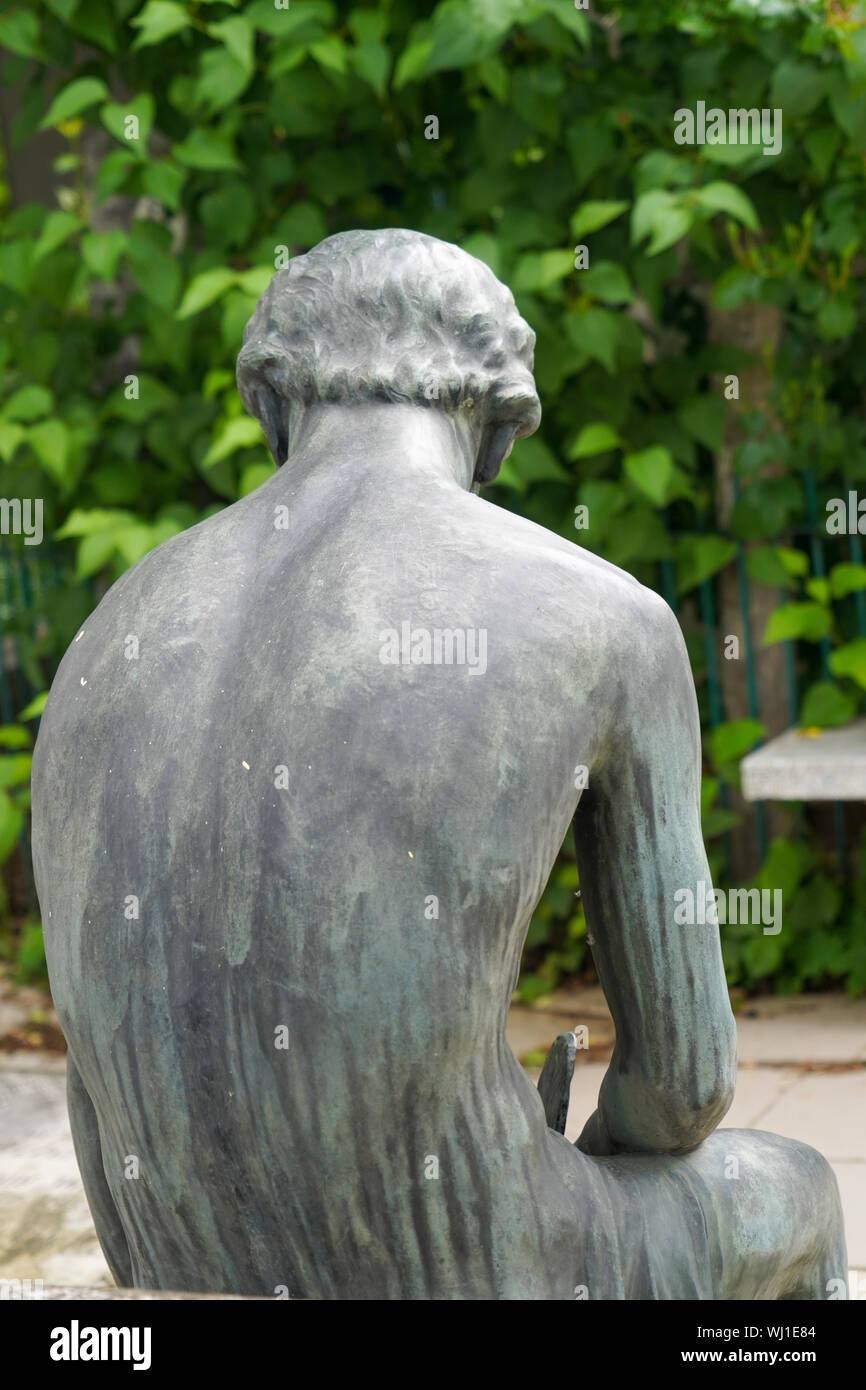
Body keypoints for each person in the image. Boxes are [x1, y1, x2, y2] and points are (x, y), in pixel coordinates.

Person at [32, 229, 847, 1299]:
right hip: (478, 1265)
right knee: (795, 1187)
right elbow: (686, 1086)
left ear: (272, 399)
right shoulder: (605, 617)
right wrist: (580, 1161)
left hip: (169, 1258)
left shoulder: (112, 628)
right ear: (501, 422)